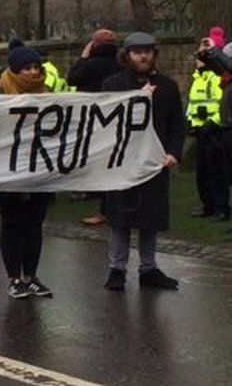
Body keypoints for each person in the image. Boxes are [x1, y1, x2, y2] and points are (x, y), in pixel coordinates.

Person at [101, 33, 184, 291]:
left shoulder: (167, 87)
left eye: (147, 51)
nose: (143, 56)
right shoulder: (113, 84)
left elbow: (176, 125)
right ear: (127, 55)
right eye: (137, 52)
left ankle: (148, 267)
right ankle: (117, 269)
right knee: (119, 218)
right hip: (123, 162)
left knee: (151, 217)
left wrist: (173, 152)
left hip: (155, 162)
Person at [0, 46, 55, 299]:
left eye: (35, 68)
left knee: (34, 224)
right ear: (14, 70)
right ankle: (14, 277)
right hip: (11, 171)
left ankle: (31, 276)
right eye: (26, 68)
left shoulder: (49, 95)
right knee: (12, 223)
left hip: (40, 170)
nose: (32, 73)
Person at [68, 29, 122, 226]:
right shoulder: (120, 66)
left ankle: (102, 206)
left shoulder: (89, 66)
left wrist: (83, 57)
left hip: (93, 120)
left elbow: (72, 78)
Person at [186, 34, 229, 221]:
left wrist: (213, 122)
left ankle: (221, 207)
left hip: (215, 129)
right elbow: (192, 103)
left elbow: (221, 102)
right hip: (200, 129)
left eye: (202, 57)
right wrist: (189, 122)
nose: (198, 60)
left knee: (216, 171)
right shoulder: (197, 79)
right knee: (202, 171)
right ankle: (208, 204)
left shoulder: (216, 78)